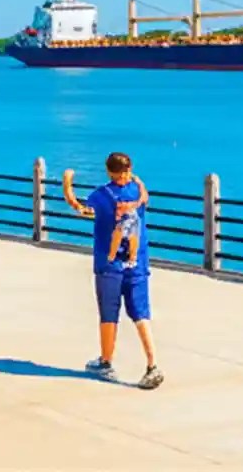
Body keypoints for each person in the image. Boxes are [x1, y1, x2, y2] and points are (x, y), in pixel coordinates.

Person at [62, 153, 164, 390]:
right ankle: (152, 364)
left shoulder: (101, 195)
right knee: (141, 313)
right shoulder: (138, 192)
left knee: (109, 313)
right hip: (137, 261)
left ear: (109, 171)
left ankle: (106, 362)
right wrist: (135, 179)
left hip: (109, 264)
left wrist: (67, 185)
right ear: (129, 170)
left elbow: (80, 208)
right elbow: (144, 192)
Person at [105, 174, 149, 269]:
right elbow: (144, 199)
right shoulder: (133, 192)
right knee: (129, 234)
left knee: (124, 234)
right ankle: (129, 259)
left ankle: (113, 258)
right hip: (128, 218)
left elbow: (143, 199)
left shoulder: (109, 192)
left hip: (127, 219)